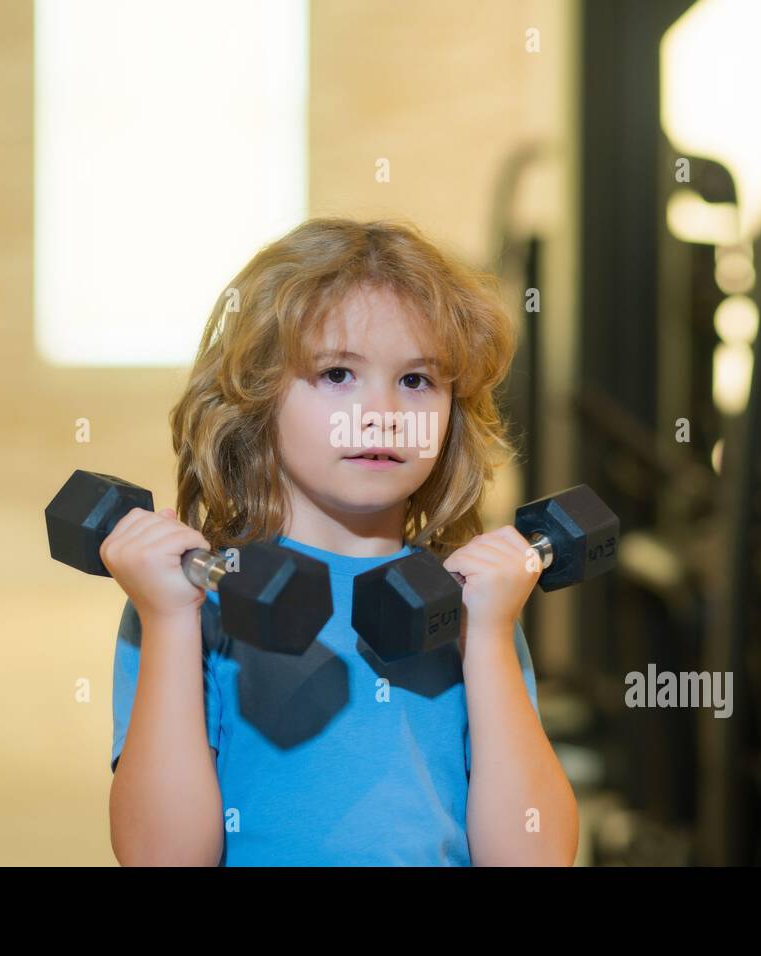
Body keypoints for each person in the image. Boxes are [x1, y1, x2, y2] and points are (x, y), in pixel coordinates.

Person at [104, 217, 578, 866]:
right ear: (256, 397)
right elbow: (162, 858)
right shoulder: (190, 598)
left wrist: (490, 636)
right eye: (336, 374)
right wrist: (166, 620)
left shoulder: (471, 603)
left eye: (416, 380)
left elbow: (533, 857)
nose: (381, 412)